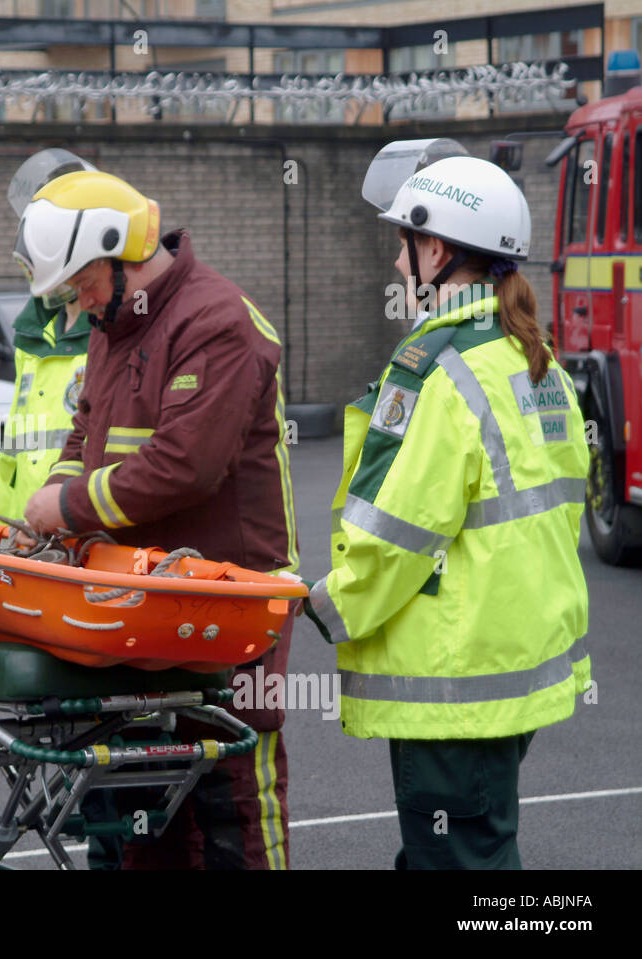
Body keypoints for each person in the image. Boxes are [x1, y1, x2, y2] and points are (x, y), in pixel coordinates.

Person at [306, 148, 591, 869]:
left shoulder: (436, 370)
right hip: (512, 659)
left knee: (458, 861)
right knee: (467, 848)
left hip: (453, 677)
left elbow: (398, 529)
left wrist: (331, 605)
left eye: (404, 247)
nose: (399, 268)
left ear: (434, 248)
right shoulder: (533, 359)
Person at [15, 169, 299, 869]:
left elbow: (185, 463)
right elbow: (84, 438)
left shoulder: (218, 320)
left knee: (232, 803)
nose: (79, 306)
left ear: (122, 251)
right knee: (146, 805)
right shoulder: (113, 325)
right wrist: (49, 512)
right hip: (147, 602)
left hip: (231, 601)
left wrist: (69, 508)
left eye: (83, 283)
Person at [0, 149, 95, 523]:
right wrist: (1, 536)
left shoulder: (115, 335)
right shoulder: (34, 334)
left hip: (82, 535)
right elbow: (14, 456)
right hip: (22, 535)